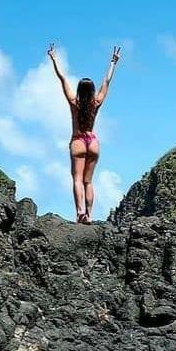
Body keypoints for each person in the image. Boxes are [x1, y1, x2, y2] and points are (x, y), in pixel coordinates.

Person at [48, 43, 121, 223]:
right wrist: (113, 63)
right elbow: (106, 81)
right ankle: (89, 214)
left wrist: (54, 59)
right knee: (89, 181)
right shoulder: (96, 103)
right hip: (93, 141)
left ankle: (80, 212)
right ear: (92, 91)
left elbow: (62, 78)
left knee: (77, 179)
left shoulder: (74, 103)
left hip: (78, 141)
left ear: (80, 90)